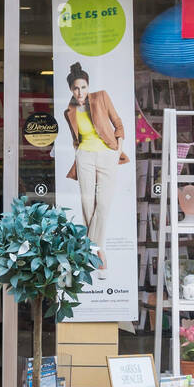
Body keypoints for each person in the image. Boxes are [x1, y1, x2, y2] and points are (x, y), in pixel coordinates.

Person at [62, 62, 128, 279]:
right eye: (75, 88)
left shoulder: (101, 97)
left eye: (83, 87)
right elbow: (75, 138)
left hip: (107, 154)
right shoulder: (69, 111)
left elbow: (117, 122)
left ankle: (90, 252)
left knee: (104, 204)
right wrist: (77, 153)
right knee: (87, 206)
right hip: (85, 157)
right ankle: (98, 255)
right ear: (71, 90)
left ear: (88, 86)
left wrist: (118, 149)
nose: (80, 92)